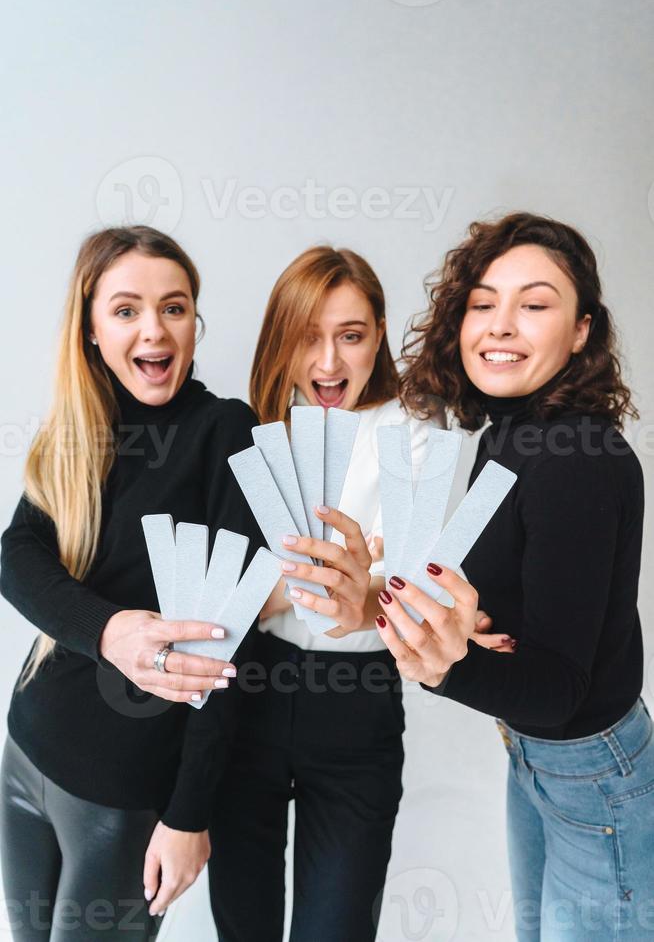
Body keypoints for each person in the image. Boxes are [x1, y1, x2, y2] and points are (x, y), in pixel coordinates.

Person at [375, 213, 652, 941]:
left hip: (592, 775)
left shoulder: (575, 457)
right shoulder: (513, 431)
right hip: (540, 757)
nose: (501, 325)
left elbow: (559, 689)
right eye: (482, 302)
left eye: (534, 304)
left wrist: (447, 666)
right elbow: (526, 618)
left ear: (583, 330)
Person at [0, 225, 269, 941]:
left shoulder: (226, 434)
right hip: (24, 754)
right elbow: (16, 554)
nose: (155, 329)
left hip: (119, 797)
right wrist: (109, 631)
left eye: (174, 307)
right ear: (90, 328)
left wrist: (189, 815)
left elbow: (229, 648)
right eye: (126, 310)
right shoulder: (83, 424)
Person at [208, 246, 446, 942]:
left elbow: (418, 598)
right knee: (240, 925)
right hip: (246, 695)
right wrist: (342, 581)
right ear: (281, 337)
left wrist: (349, 592)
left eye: (352, 335)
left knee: (336, 928)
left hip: (357, 701)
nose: (330, 363)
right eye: (309, 335)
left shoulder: (415, 439)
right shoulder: (245, 429)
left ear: (379, 335)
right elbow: (211, 595)